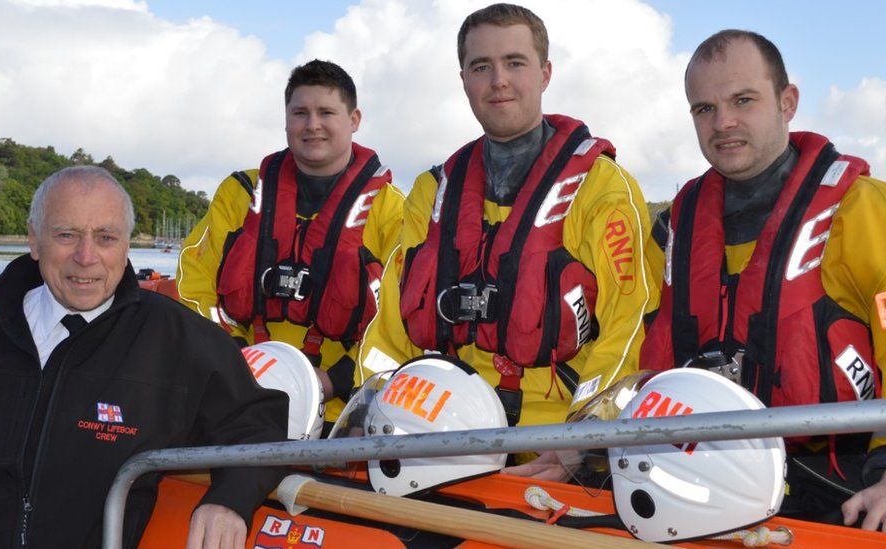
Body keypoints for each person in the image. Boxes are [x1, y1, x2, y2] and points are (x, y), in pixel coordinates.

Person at [0, 166, 289, 548]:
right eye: (66, 235)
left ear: (126, 245)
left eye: (106, 237)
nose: (86, 256)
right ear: (34, 240)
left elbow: (259, 424)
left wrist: (229, 500)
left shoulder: (179, 343)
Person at [357, 3, 653, 478]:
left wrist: (585, 439)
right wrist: (375, 405)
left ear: (545, 73)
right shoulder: (432, 192)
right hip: (440, 436)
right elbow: (388, 325)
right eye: (482, 67)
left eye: (515, 63)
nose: (499, 80)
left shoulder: (603, 187)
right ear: (464, 81)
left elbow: (631, 320)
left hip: (557, 448)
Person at [640, 30, 886, 529]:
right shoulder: (672, 231)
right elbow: (638, 359)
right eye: (704, 109)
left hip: (839, 486)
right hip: (693, 481)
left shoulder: (860, 211)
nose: (723, 122)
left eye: (743, 100)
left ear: (787, 102)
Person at [177, 60, 403, 433]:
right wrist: (232, 360)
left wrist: (334, 380)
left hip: (340, 410)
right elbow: (192, 284)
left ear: (354, 119)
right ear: (286, 121)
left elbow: (398, 320)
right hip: (238, 393)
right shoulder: (240, 194)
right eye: (300, 113)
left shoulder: (391, 209)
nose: (312, 125)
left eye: (326, 112)